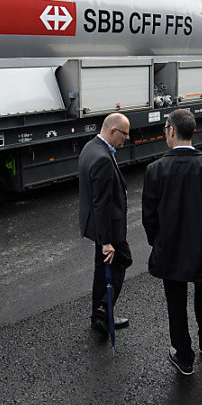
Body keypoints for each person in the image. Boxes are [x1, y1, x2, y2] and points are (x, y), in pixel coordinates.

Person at [142, 108, 202, 376]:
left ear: (171, 130)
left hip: (169, 250)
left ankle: (183, 356)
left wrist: (156, 242)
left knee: (175, 304)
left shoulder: (155, 169)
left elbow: (149, 216)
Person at [78, 112, 132, 334]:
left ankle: (99, 316)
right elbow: (102, 203)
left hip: (97, 226)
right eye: (125, 134)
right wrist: (107, 241)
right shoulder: (102, 158)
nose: (127, 138)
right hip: (109, 228)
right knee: (122, 261)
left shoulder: (90, 147)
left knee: (102, 270)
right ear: (112, 131)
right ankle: (103, 311)